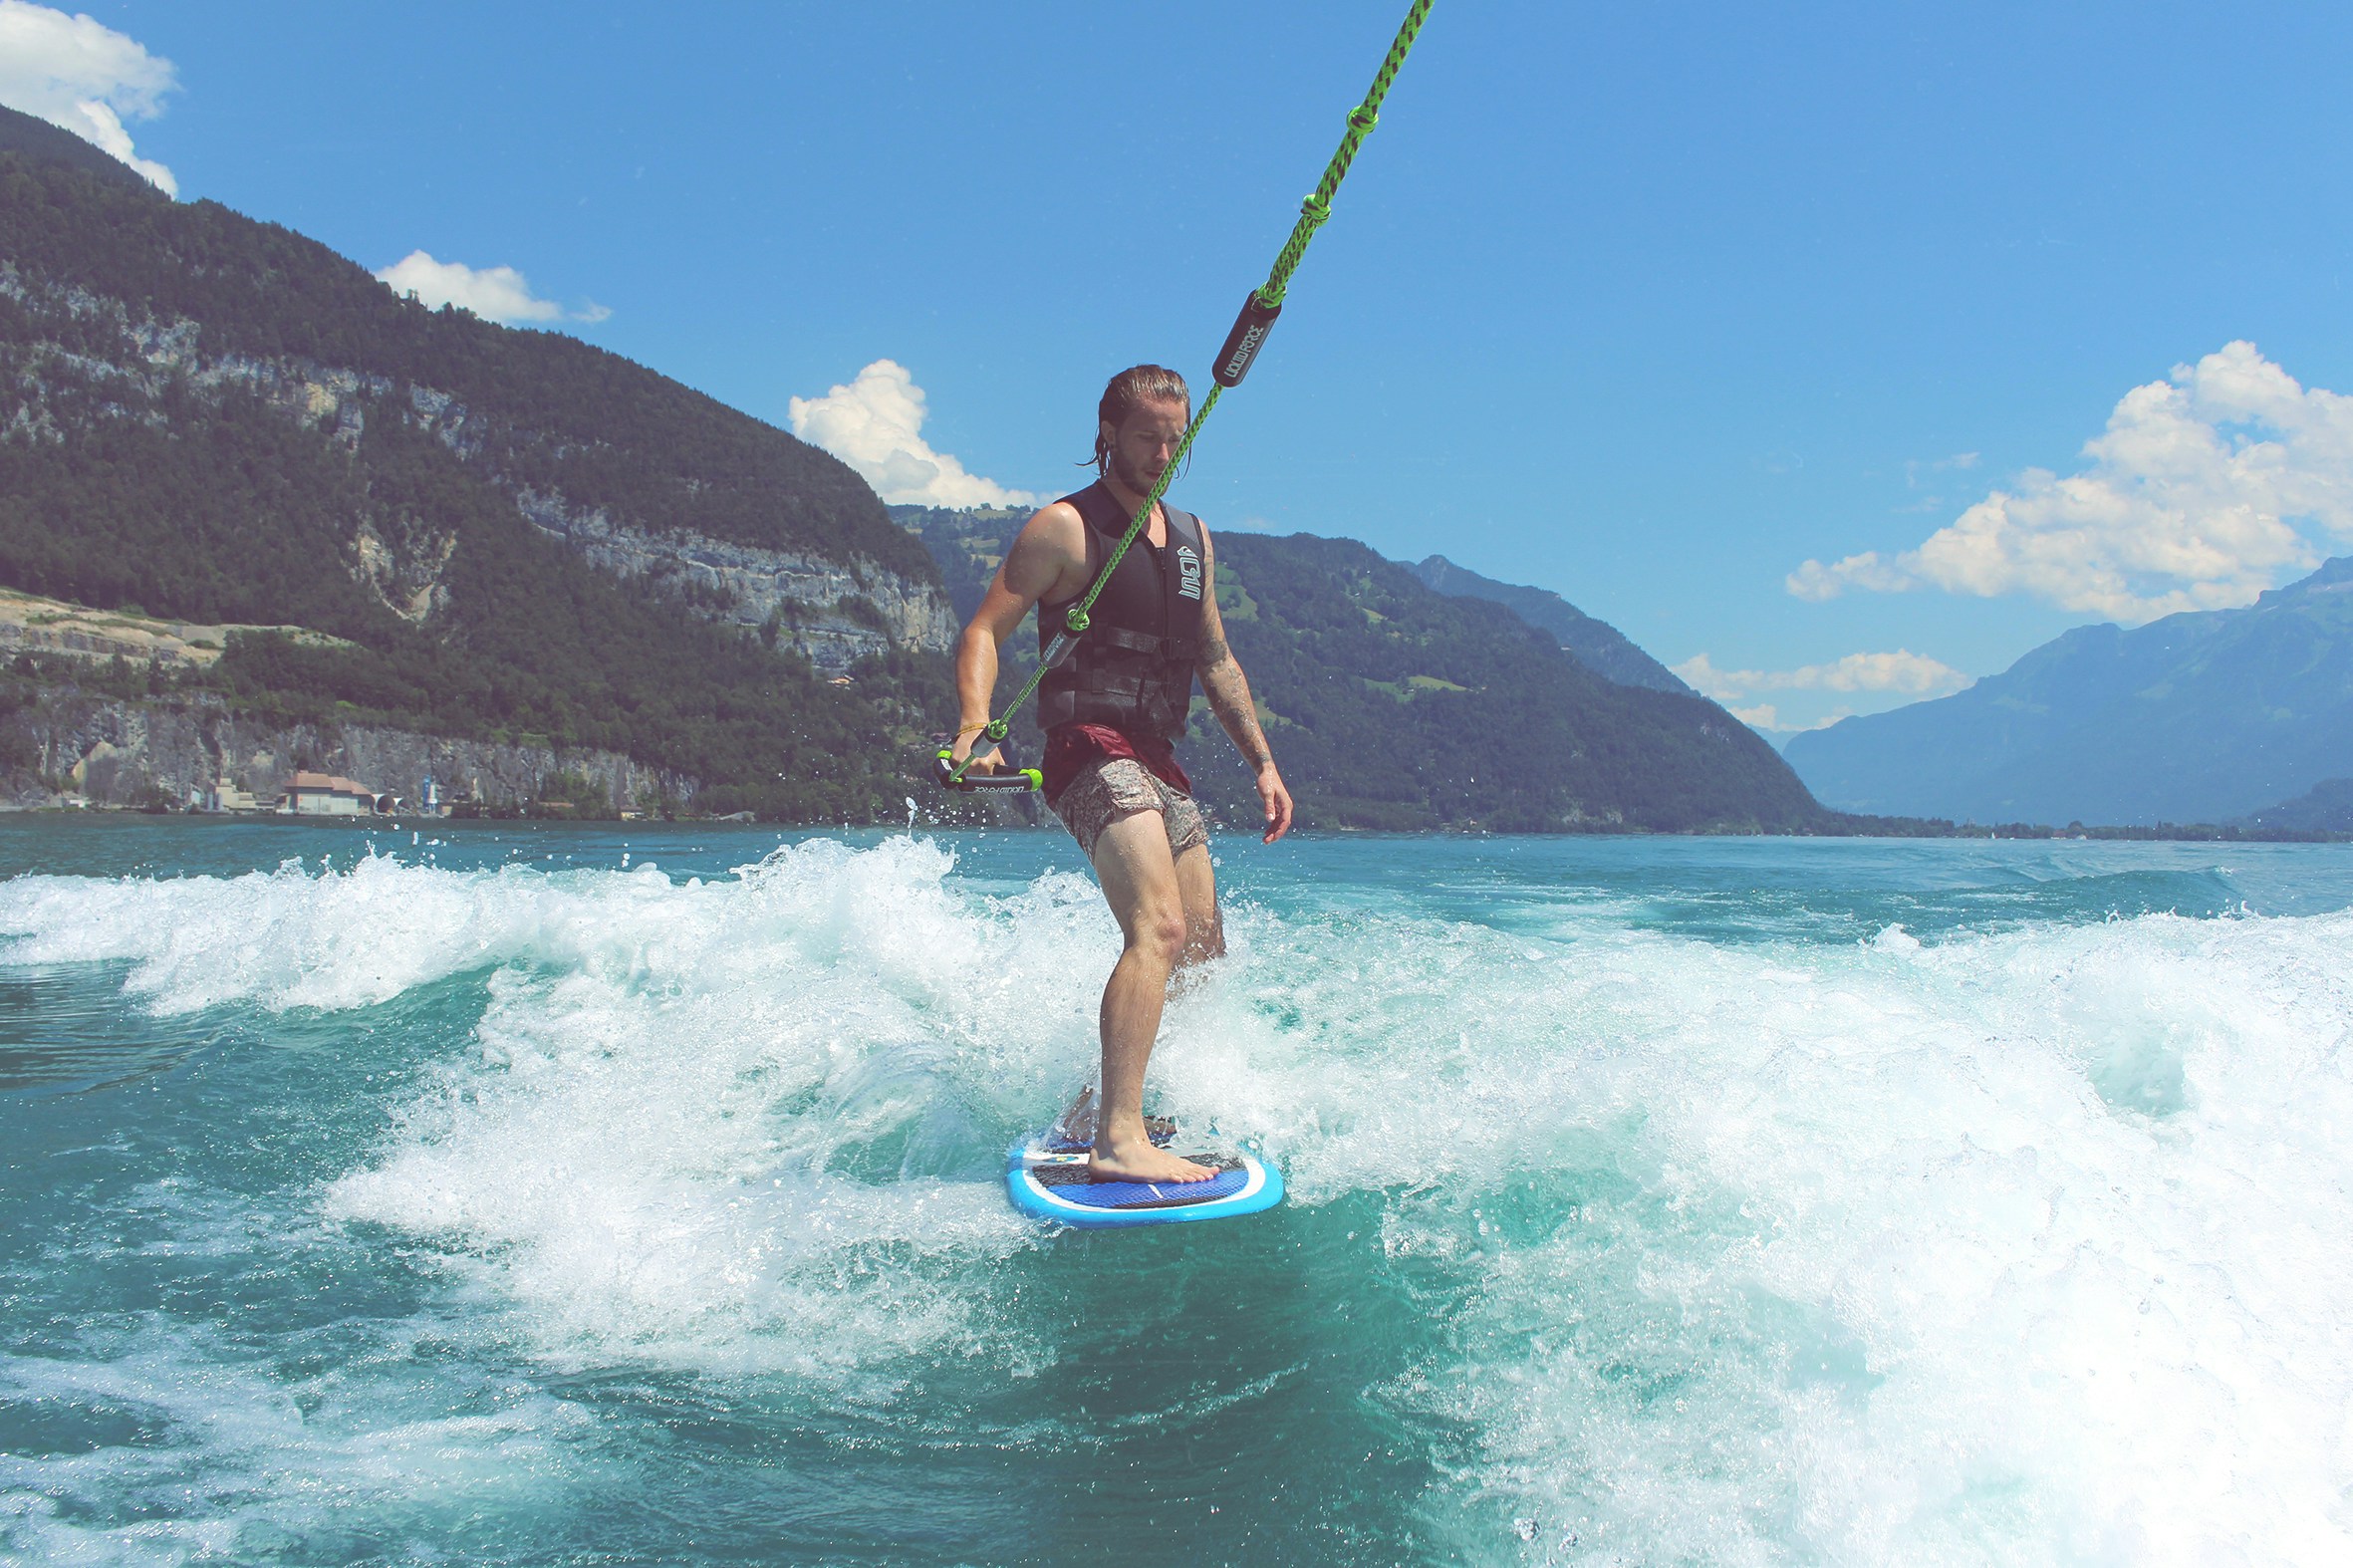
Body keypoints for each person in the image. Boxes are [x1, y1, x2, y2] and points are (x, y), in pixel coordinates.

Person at [948, 364, 1294, 1183]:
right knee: (1160, 929)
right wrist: (973, 728)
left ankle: (1092, 1104)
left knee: (1202, 949)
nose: (1163, 453)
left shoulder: (1193, 539)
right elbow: (983, 631)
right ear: (1106, 433)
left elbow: (1214, 657)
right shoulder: (1064, 530)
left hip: (1157, 757)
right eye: (1147, 437)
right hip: (1087, 745)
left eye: (1176, 439)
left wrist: (1265, 763)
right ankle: (1118, 1139)